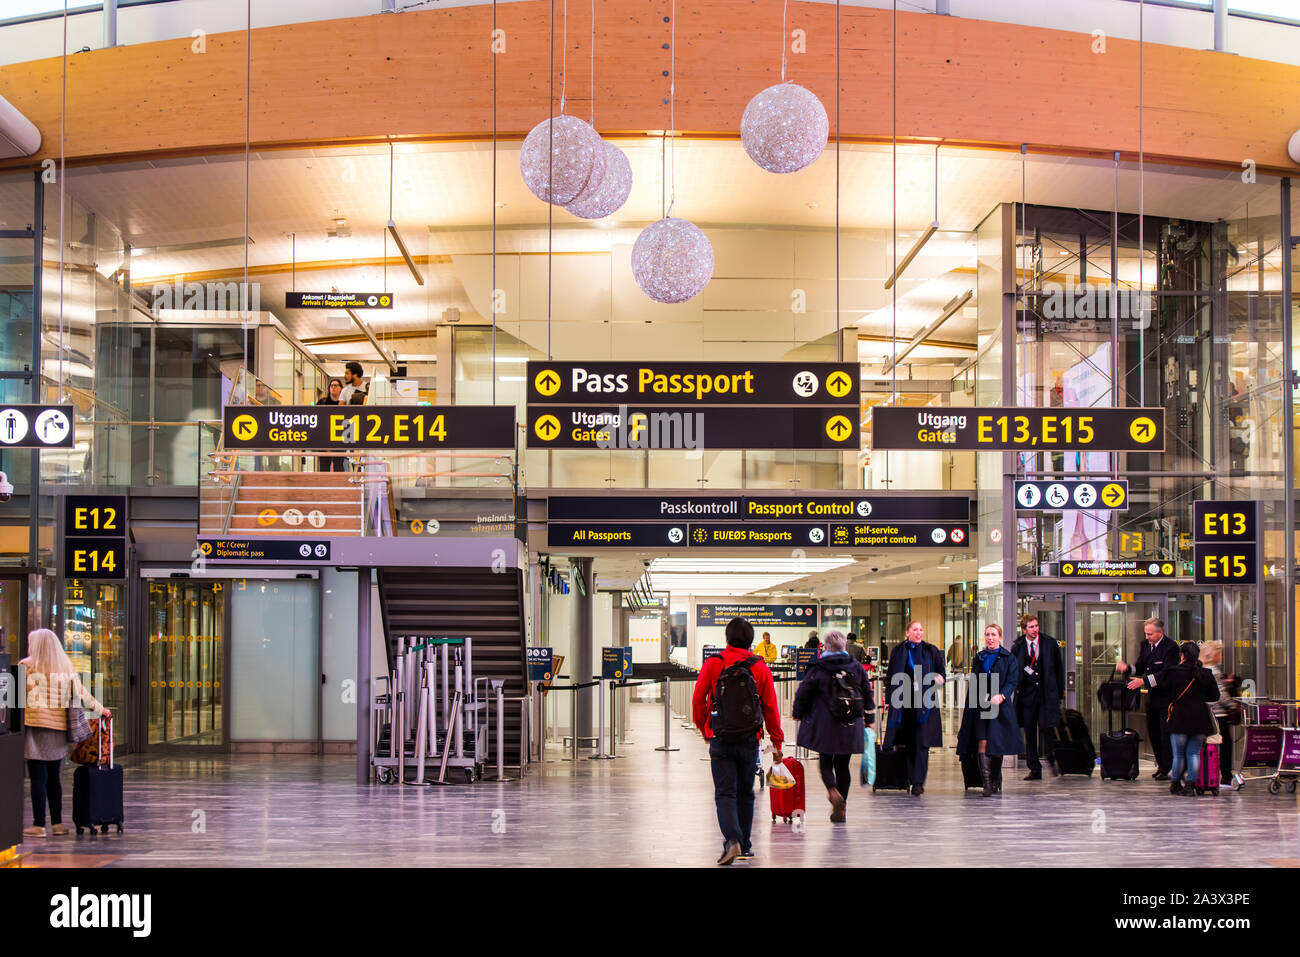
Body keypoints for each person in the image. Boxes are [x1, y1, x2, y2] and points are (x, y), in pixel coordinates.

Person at [692, 617, 785, 865]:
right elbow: (770, 708)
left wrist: (704, 728)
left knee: (725, 792)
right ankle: (744, 844)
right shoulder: (760, 667)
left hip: (721, 737)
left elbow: (698, 698)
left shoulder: (714, 663)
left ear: (727, 638)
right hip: (749, 739)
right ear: (751, 640)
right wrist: (777, 741)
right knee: (746, 792)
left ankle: (731, 839)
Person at [20, 628, 110, 839]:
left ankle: (39, 825)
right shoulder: (65, 668)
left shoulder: (26, 666)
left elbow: (12, 697)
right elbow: (82, 694)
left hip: (34, 729)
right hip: (58, 728)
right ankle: (58, 824)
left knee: (37, 778)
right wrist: (101, 710)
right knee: (54, 778)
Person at [792, 630, 874, 822]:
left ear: (826, 646)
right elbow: (867, 692)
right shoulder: (856, 666)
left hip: (825, 723)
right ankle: (842, 806)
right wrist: (869, 719)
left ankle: (832, 791)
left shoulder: (819, 666)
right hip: (851, 722)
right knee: (843, 765)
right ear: (844, 645)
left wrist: (797, 713)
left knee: (826, 762)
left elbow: (804, 692)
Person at [956, 623, 1022, 796]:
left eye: (993, 635)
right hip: (981, 704)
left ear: (1000, 637)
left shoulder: (1009, 658)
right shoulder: (980, 657)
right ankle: (986, 784)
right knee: (983, 740)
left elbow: (1012, 681)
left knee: (996, 743)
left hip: (999, 706)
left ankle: (995, 779)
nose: (990, 638)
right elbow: (975, 679)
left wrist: (1002, 695)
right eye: (987, 635)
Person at [882, 620, 946, 795]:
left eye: (921, 630)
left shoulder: (930, 650)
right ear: (907, 632)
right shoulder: (898, 651)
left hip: (924, 704)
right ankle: (909, 778)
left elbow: (941, 673)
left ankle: (918, 782)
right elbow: (890, 677)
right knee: (908, 742)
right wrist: (888, 699)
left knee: (922, 743)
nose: (919, 633)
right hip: (903, 704)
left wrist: (939, 679)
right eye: (915, 630)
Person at [1116, 618, 1182, 780]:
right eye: (1146, 634)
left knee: (1165, 733)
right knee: (1153, 731)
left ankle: (1168, 767)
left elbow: (1166, 673)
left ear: (1161, 632)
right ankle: (1161, 765)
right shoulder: (1146, 645)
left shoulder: (1171, 648)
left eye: (1150, 634)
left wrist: (1143, 681)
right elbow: (1140, 666)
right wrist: (1127, 668)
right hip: (1152, 697)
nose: (1147, 637)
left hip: (1166, 698)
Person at [1010, 614, 1064, 780]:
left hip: (1046, 695)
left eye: (1036, 626)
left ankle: (1052, 758)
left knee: (1048, 728)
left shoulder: (1050, 643)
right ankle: (1034, 768)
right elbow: (1015, 670)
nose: (1035, 629)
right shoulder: (1018, 646)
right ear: (1024, 629)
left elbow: (1058, 669)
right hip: (1027, 697)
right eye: (1031, 627)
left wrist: (1059, 693)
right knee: (1030, 731)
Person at [1162, 641, 1220, 795]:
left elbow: (1166, 692)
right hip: (1200, 718)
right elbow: (1215, 696)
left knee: (1178, 754)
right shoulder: (1206, 673)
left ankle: (1175, 784)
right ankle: (1190, 786)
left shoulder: (1173, 672)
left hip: (1179, 718)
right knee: (1194, 753)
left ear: (1182, 656)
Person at [1198, 640, 1239, 788]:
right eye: (1219, 653)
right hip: (1219, 714)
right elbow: (1221, 695)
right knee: (1225, 744)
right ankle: (1226, 776)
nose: (1220, 656)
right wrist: (1233, 706)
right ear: (1213, 655)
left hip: (1204, 713)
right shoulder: (1214, 671)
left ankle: (1202, 774)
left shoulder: (1200, 669)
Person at [316, 377, 346, 472]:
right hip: (324, 438)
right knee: (324, 466)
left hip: (339, 438)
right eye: (331, 386)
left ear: (341, 388)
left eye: (336, 386)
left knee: (339, 465)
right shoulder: (322, 402)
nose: (333, 387)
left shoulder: (344, 403)